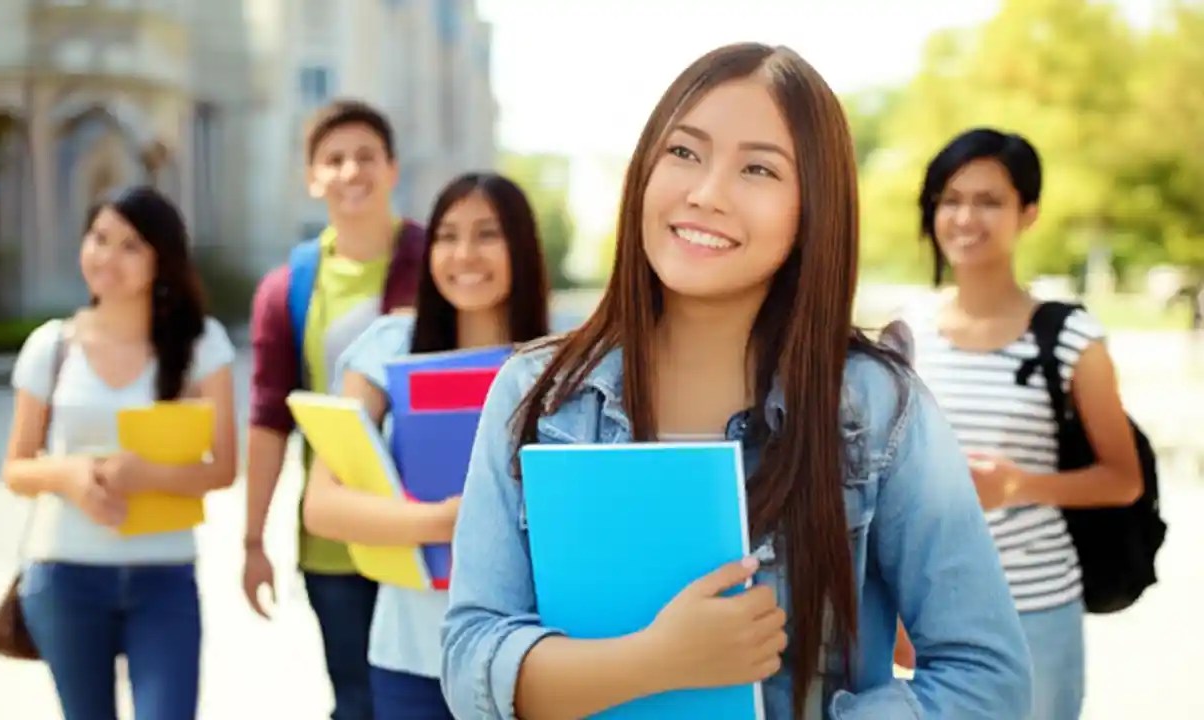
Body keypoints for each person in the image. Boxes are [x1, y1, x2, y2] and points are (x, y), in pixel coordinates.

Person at [440, 43, 1033, 720]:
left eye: (758, 168)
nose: (706, 193)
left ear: (812, 210)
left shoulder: (876, 407)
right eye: (684, 153)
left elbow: (987, 681)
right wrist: (658, 659)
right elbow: (469, 663)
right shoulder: (537, 393)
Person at [899, 128, 1142, 719]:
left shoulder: (1070, 338)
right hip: (932, 610)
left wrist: (1020, 486)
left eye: (990, 201)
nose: (965, 217)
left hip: (1036, 610)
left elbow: (1122, 479)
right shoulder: (905, 338)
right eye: (950, 199)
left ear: (1027, 213)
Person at [304, 172, 551, 719]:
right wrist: (449, 521)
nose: (464, 254)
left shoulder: (561, 360)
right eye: (447, 235)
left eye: (488, 234)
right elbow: (322, 504)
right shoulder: (390, 349)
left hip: (529, 654)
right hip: (411, 656)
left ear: (522, 247)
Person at [3, 186, 237, 720]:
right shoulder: (51, 346)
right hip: (65, 576)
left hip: (165, 578)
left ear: (161, 259)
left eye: (130, 246)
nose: (107, 257)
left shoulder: (202, 345)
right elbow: (16, 468)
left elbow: (223, 468)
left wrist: (144, 473)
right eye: (99, 238)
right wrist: (72, 476)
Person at [243, 100, 426, 720]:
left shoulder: (440, 264)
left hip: (432, 531)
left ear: (393, 169)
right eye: (335, 159)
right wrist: (252, 540)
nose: (352, 172)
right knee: (356, 702)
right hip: (336, 542)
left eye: (366, 157)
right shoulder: (290, 288)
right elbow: (270, 419)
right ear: (313, 178)